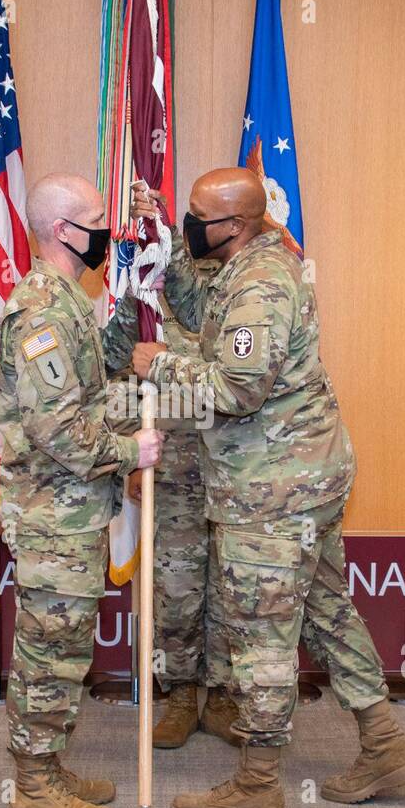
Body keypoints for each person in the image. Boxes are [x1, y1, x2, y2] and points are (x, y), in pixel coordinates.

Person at [131, 168, 405, 808]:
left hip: (273, 490)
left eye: (197, 217)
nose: (190, 224)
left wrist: (160, 365)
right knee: (326, 614)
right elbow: (202, 310)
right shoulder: (249, 265)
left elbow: (239, 390)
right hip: (306, 478)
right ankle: (384, 746)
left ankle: (259, 785)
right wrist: (162, 241)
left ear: (233, 226)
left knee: (261, 635)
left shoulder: (262, 282)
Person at [0, 172, 164, 808]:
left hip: (73, 511)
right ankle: (32, 785)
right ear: (63, 231)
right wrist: (131, 454)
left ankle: (49, 765)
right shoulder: (39, 314)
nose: (108, 232)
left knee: (64, 651)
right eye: (97, 220)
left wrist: (137, 292)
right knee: (48, 652)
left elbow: (94, 380)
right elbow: (59, 430)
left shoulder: (68, 301)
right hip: (52, 517)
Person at [101, 260, 240, 750]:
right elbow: (115, 381)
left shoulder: (233, 299)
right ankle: (179, 697)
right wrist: (130, 459)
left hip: (234, 472)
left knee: (229, 589)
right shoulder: (147, 301)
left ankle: (222, 698)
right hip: (171, 471)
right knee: (175, 591)